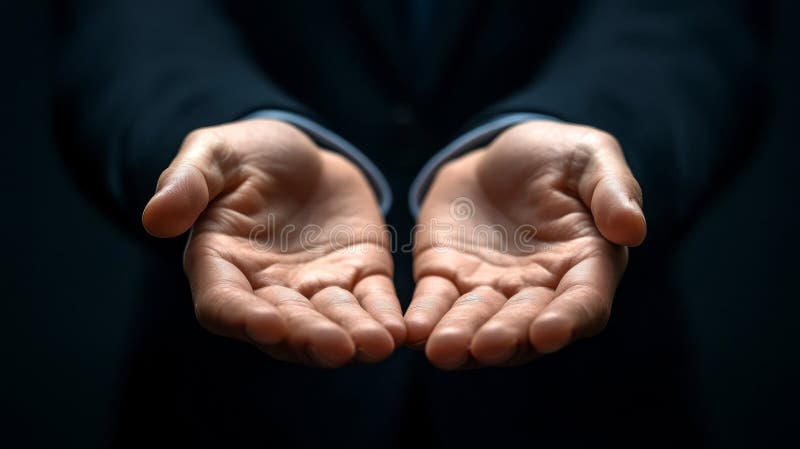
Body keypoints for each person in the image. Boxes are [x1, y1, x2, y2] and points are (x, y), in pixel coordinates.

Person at [54, 0, 762, 447]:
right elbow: (127, 16)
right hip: (234, 403)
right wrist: (221, 130)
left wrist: (582, 132)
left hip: (585, 403)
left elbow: (689, 18)